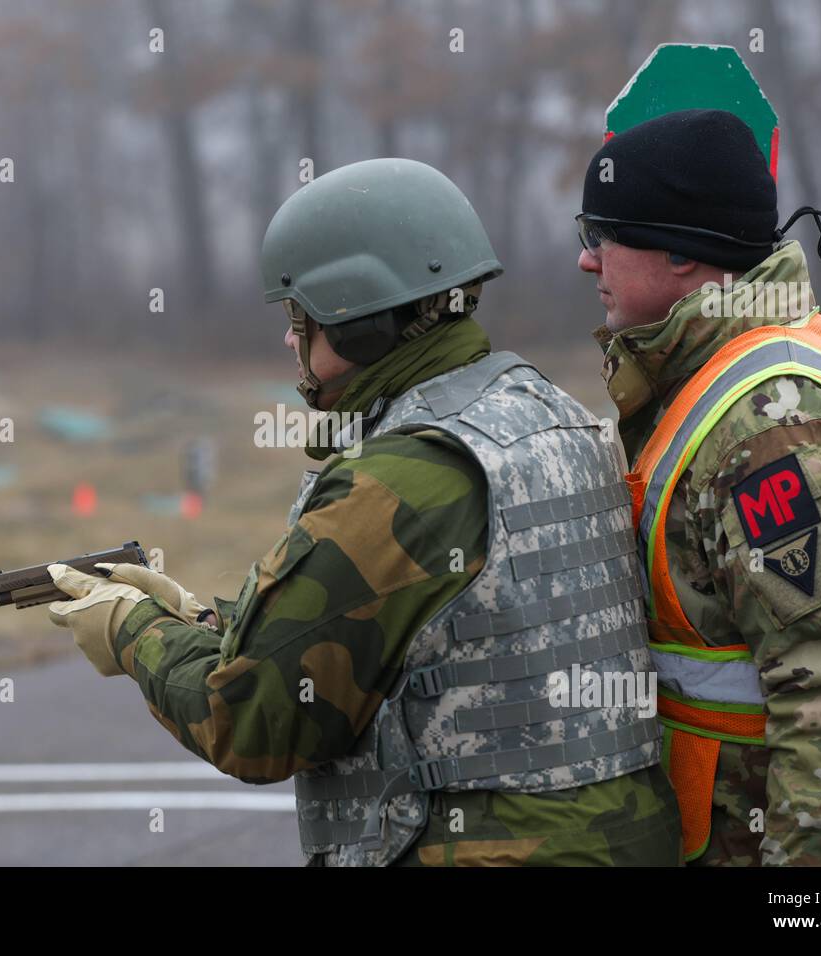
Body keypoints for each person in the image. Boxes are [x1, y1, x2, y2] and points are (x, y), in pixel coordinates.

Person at [44, 157, 681, 866]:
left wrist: (133, 633)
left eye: (301, 317)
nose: (290, 339)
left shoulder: (405, 479)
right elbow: (455, 634)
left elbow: (252, 722)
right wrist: (203, 623)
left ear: (357, 319)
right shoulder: (554, 416)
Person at [578, 108, 821, 866]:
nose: (588, 262)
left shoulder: (767, 428)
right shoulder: (732, 367)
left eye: (602, 236)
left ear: (683, 256)